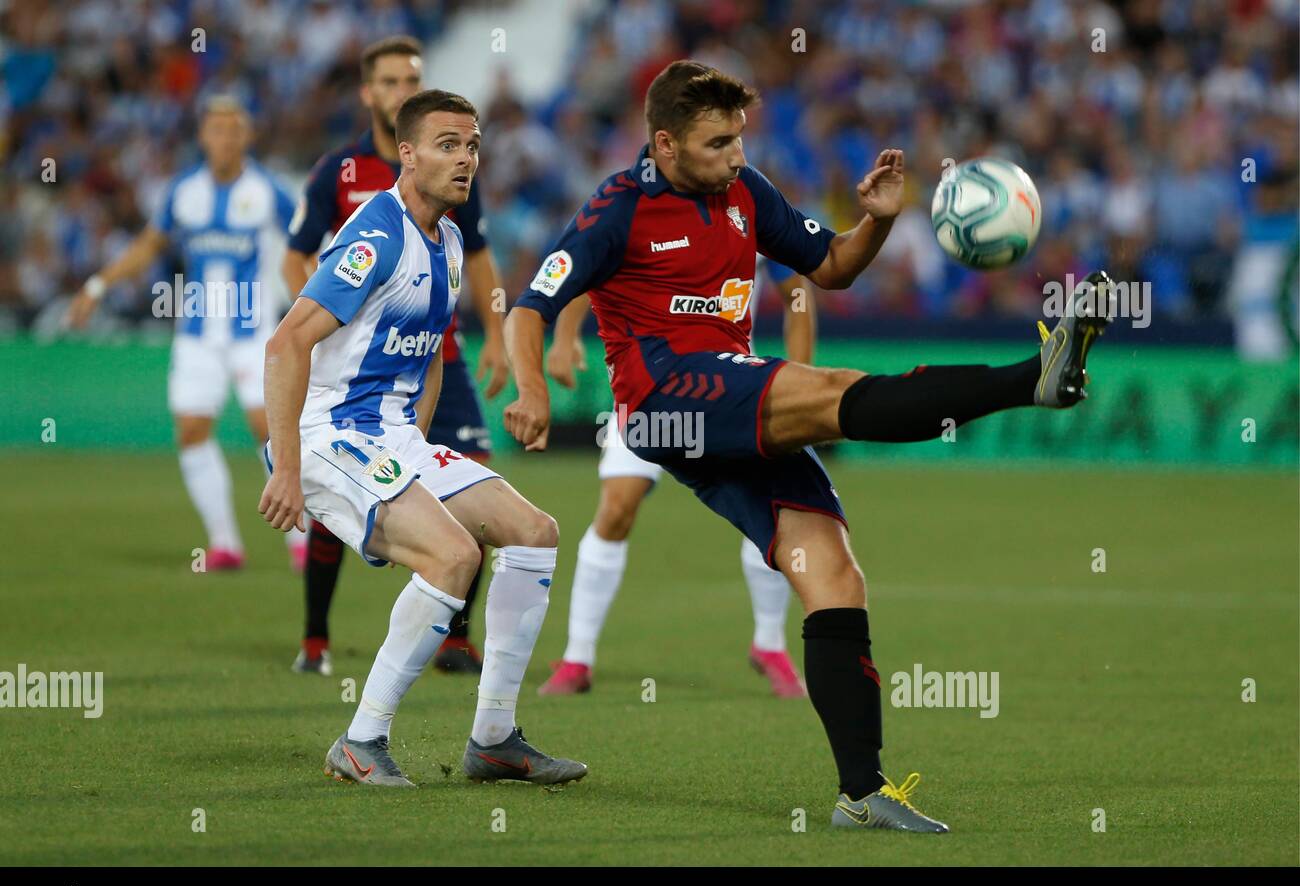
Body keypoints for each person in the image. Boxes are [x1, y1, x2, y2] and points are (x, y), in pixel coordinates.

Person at [502, 61, 1112, 831]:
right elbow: (531, 307)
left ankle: (861, 794)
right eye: (717, 142)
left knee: (833, 572)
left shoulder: (747, 193)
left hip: (727, 402)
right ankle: (1034, 379)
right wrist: (530, 388)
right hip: (662, 402)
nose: (733, 154)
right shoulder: (615, 210)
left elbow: (832, 268)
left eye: (740, 138)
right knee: (830, 392)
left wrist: (879, 220)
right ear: (664, 142)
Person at [259, 89, 584, 788]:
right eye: (446, 144)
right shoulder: (374, 236)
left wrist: (419, 454)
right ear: (406, 155)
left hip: (393, 436)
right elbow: (286, 344)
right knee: (452, 555)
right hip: (329, 433)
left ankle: (494, 738)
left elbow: (432, 352)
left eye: (471, 145)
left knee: (534, 531)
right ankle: (360, 739)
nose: (465, 158)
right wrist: (285, 465)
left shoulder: (450, 241)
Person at [281, 36, 510, 677]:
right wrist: (326, 307)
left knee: (475, 488)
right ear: (368, 93)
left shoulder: (456, 180)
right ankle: (318, 639)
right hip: (360, 365)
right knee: (346, 488)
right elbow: (298, 258)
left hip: (437, 352)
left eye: (411, 77)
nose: (400, 89)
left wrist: (496, 332)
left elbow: (481, 256)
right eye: (388, 80)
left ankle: (457, 639)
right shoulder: (341, 173)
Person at [540, 258, 817, 697]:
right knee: (616, 510)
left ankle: (769, 645)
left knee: (768, 512)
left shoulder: (755, 215)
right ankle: (578, 657)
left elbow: (797, 301)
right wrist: (565, 336)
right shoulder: (640, 207)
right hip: (649, 389)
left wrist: (799, 383)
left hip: (733, 390)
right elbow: (588, 264)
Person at [67, 96, 304, 571]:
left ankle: (302, 540)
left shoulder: (269, 191)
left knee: (270, 428)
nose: (225, 138)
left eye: (234, 129)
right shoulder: (183, 192)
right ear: (203, 137)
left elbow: (304, 248)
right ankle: (224, 543)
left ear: (247, 137)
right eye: (216, 129)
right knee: (193, 430)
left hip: (254, 330)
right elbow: (148, 244)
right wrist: (97, 285)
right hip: (197, 333)